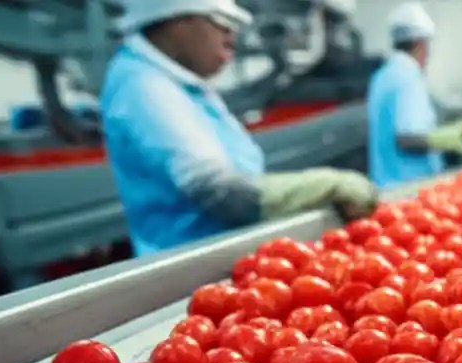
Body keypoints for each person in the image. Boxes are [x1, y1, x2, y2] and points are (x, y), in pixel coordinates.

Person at [102, 0, 378, 256]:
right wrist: (323, 186)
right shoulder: (142, 85)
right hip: (187, 268)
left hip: (221, 254)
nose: (232, 35)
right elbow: (221, 191)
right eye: (221, 22)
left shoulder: (184, 83)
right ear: (177, 21)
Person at [367, 3, 462, 188]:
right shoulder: (407, 76)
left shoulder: (383, 75)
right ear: (420, 43)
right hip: (406, 188)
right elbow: (407, 137)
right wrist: (453, 138)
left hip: (385, 186)